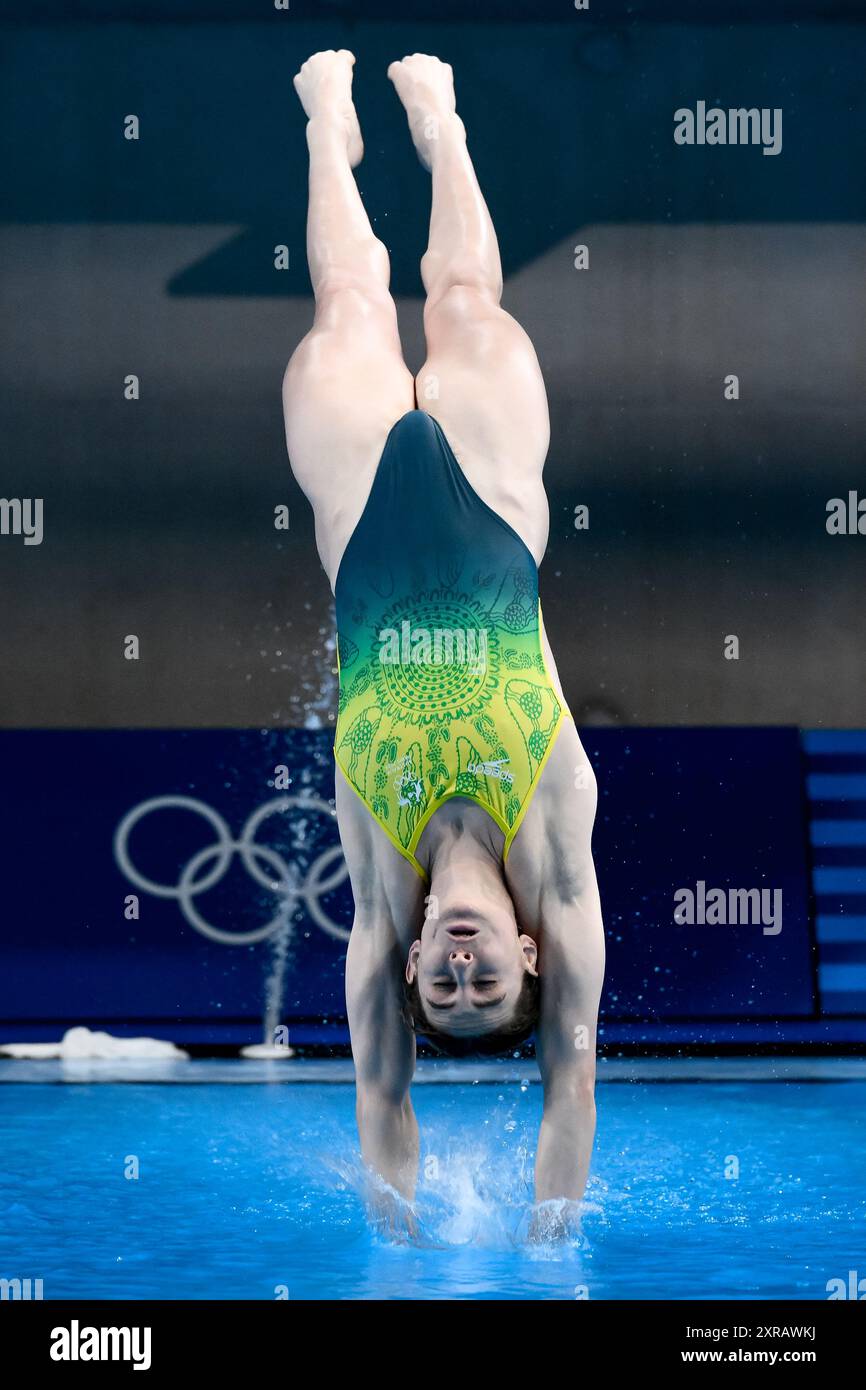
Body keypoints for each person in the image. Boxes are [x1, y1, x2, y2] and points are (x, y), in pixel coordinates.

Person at [283, 50, 605, 1218]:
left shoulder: (377, 890)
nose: (460, 968)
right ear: (530, 958)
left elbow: (381, 1103)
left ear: (409, 965)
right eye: (488, 984)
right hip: (496, 504)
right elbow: (567, 1087)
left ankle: (326, 125)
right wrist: (545, 1243)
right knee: (467, 304)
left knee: (347, 310)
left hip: (359, 521)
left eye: (443, 985)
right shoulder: (554, 855)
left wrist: (402, 1255)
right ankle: (444, 128)